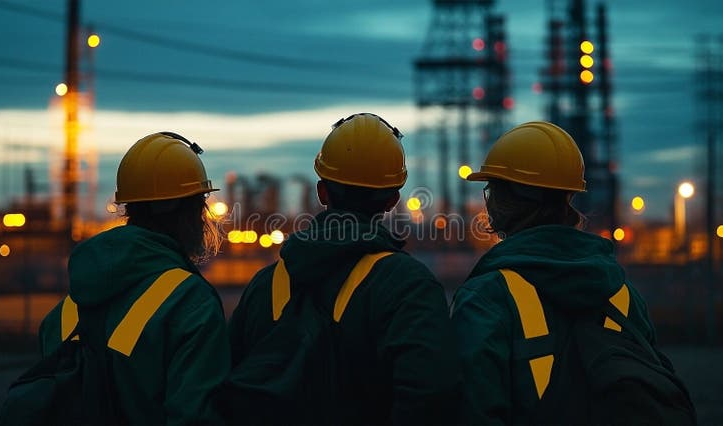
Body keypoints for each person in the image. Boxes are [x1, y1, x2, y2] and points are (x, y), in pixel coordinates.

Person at [225, 113, 461, 425]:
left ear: (322, 193)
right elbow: (429, 398)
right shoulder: (409, 287)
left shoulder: (263, 287)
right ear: (392, 199)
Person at [450, 121, 659, 425]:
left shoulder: (486, 299)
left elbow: (472, 410)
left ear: (500, 202)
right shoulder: (621, 293)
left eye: (490, 190)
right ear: (569, 198)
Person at [38, 131, 230, 425]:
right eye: (201, 203)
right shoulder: (191, 304)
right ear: (190, 210)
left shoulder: (64, 312)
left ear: (128, 208)